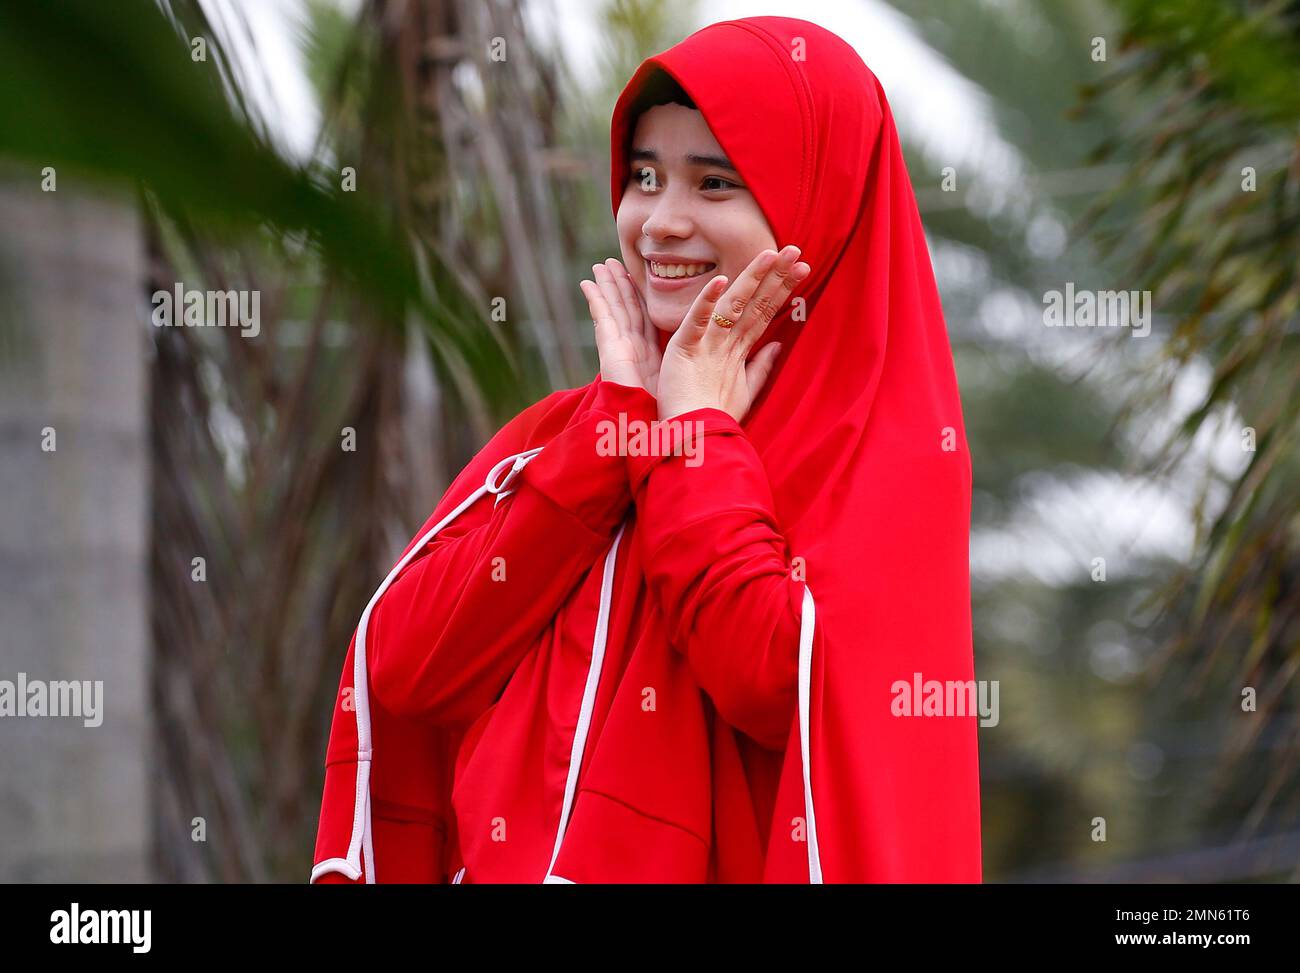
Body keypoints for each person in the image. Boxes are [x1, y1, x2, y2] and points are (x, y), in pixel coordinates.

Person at [311, 15, 981, 884]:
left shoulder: (883, 454)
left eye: (714, 183)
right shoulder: (567, 432)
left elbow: (775, 679)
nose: (660, 222)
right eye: (643, 177)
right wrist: (617, 431)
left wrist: (694, 443)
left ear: (816, 205)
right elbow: (407, 667)